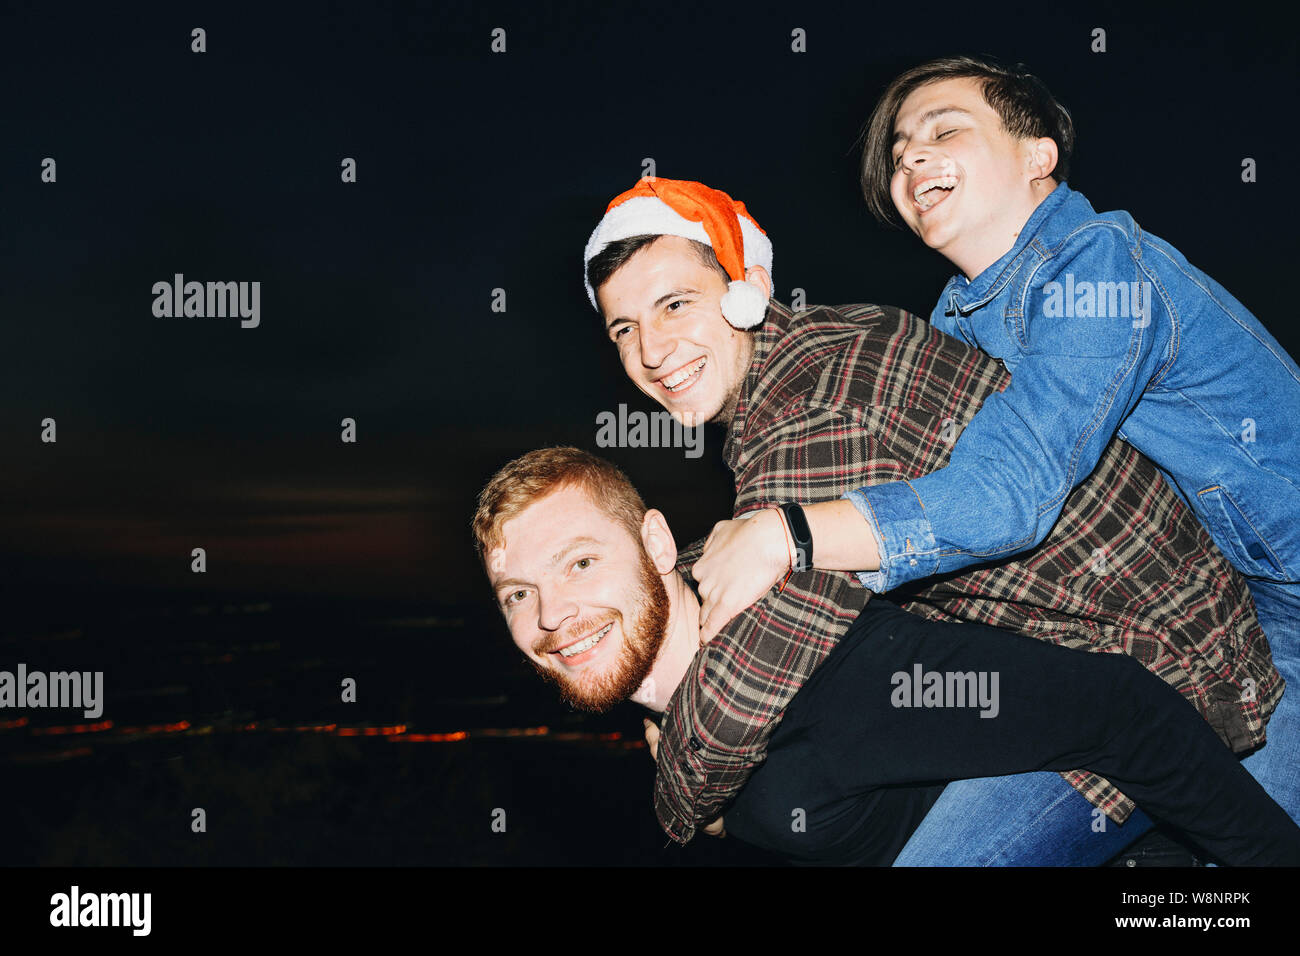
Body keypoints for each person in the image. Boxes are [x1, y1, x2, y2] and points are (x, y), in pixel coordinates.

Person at [580, 176, 1282, 864]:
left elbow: (762, 665)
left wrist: (679, 799)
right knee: (796, 789)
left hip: (1161, 667)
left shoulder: (810, 407)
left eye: (675, 305)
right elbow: (755, 557)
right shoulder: (810, 353)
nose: (651, 350)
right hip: (1080, 638)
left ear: (744, 291)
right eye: (625, 328)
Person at [689, 58, 1300, 839]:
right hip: (1176, 609)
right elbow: (931, 525)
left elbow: (1011, 490)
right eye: (900, 148)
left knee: (1247, 853)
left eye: (944, 130)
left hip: (1279, 593)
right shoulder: (955, 327)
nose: (909, 156)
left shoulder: (1102, 270)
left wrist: (791, 532)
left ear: (1037, 156)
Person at [472, 446, 1300, 865]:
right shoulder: (695, 723)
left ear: (656, 544)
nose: (552, 616)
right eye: (516, 593)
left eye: (581, 563)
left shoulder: (839, 678)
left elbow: (1116, 710)